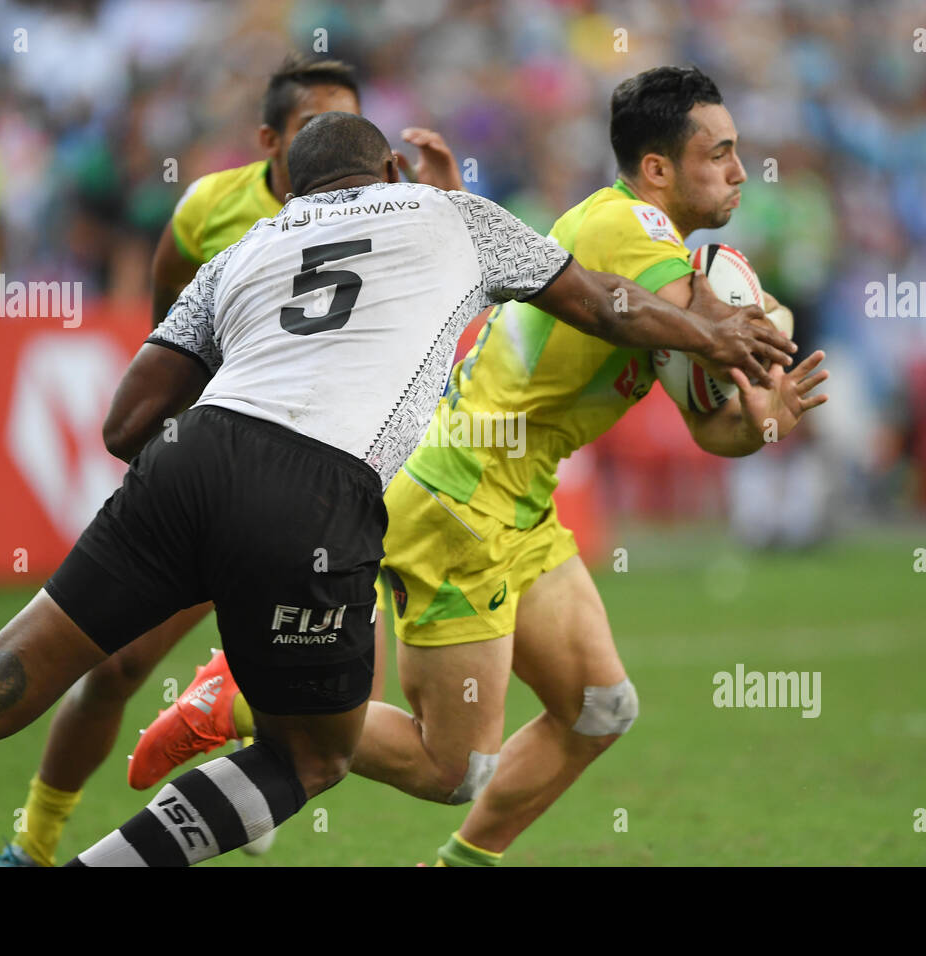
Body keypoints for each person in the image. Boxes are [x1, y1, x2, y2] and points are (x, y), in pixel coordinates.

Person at [0, 111, 793, 866]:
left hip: (189, 460)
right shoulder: (450, 213)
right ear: (386, 174)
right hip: (321, 492)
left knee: (0, 677)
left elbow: (125, 422)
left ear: (290, 184)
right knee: (312, 755)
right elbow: (607, 304)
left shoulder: (245, 250)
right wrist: (715, 338)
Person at [137, 66, 830, 866]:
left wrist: (765, 422)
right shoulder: (625, 229)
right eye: (722, 153)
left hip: (520, 501)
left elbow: (715, 427)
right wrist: (757, 316)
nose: (742, 172)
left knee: (598, 708)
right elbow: (713, 323)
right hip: (459, 499)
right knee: (452, 767)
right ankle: (249, 700)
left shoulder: (668, 265)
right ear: (657, 169)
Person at [0, 53, 464, 868]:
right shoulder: (213, 207)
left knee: (335, 719)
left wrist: (441, 200)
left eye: (347, 125)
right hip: (221, 464)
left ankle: (234, 718)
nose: (334, 146)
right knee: (117, 666)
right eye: (314, 127)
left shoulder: (402, 210)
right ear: (271, 140)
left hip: (333, 476)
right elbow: (170, 314)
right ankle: (33, 844)